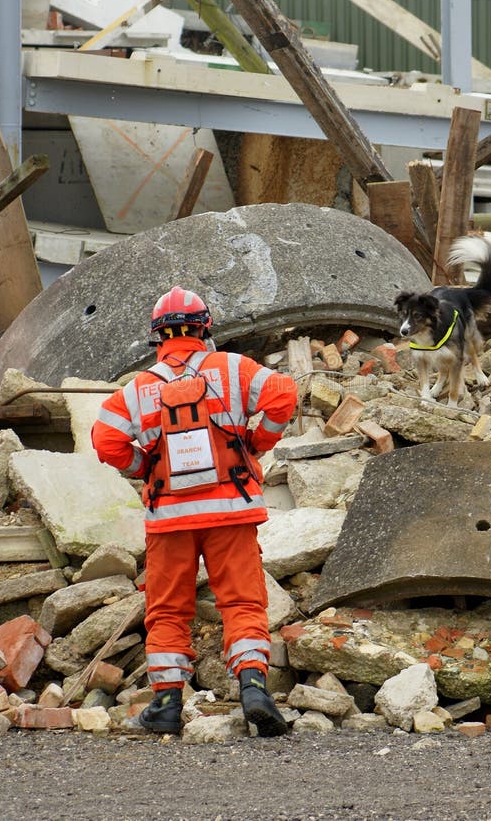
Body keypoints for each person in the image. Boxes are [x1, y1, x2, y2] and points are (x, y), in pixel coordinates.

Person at [91, 287, 298, 737]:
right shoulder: (233, 368)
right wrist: (258, 442)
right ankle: (254, 690)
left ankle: (166, 704)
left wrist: (142, 465)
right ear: (205, 328)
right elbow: (283, 393)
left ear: (157, 337)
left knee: (167, 610)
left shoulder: (139, 388)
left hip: (169, 520)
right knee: (242, 602)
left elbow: (105, 440)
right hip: (231, 515)